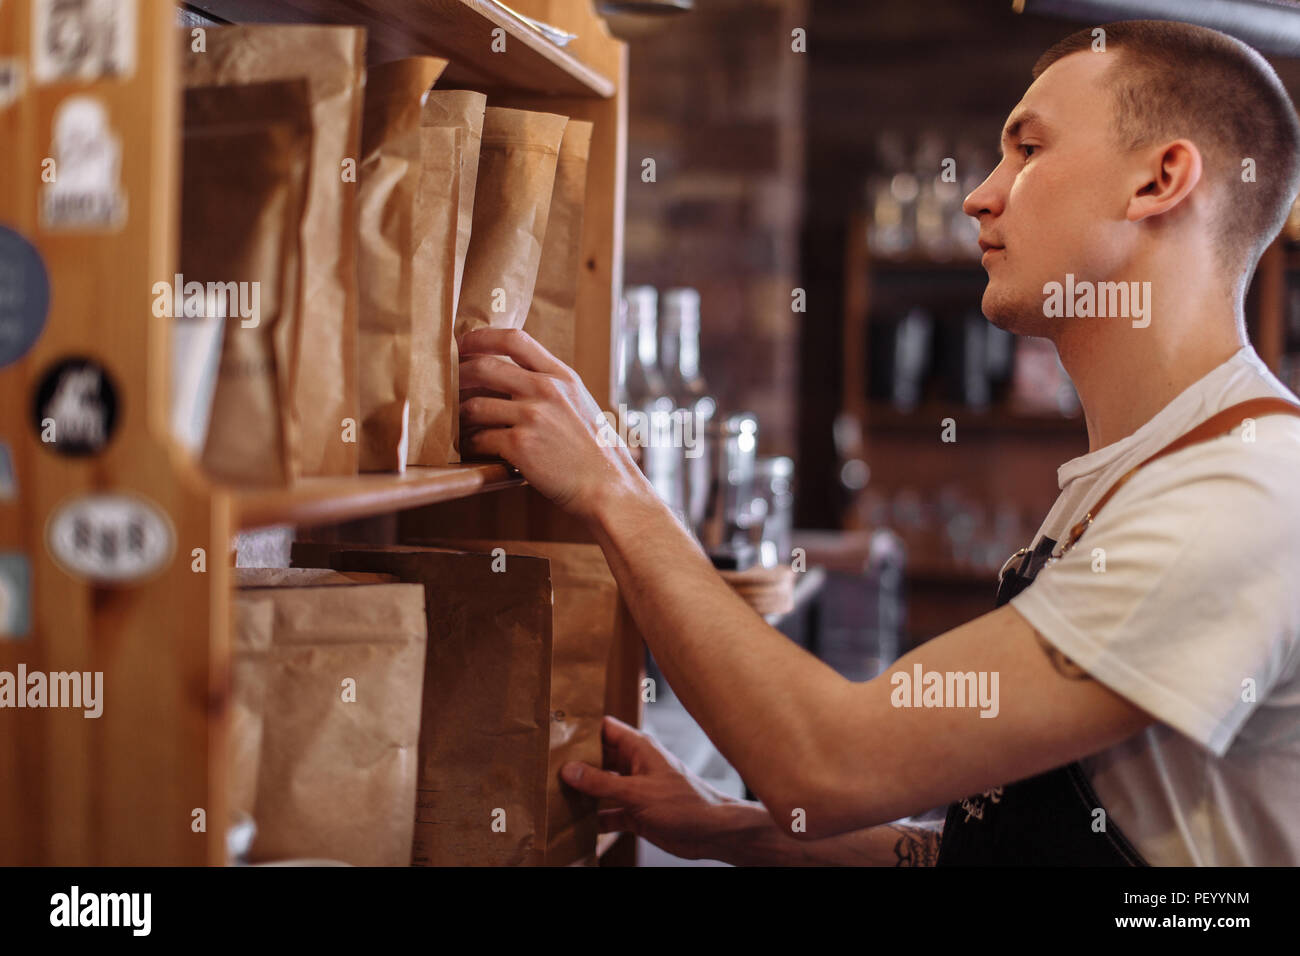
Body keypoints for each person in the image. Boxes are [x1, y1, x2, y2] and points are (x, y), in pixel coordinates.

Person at [456, 20, 1300, 866]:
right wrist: (735, 827)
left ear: (1160, 180)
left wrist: (614, 486)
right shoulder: (1148, 472)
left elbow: (825, 763)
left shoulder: (1240, 494)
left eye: (1028, 150)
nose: (981, 195)